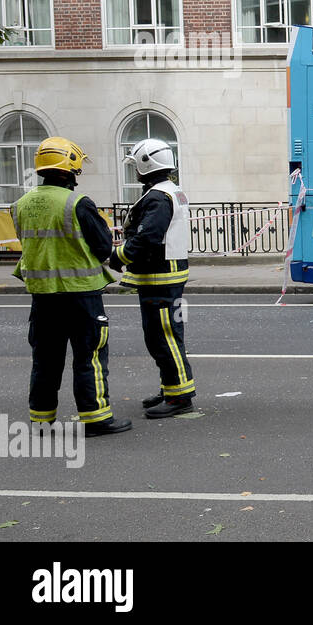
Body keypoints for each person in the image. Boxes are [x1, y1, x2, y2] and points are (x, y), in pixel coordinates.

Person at [11, 137, 130, 435]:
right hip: (81, 295)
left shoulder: (20, 205)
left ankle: (41, 420)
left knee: (45, 361)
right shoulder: (78, 203)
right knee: (89, 357)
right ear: (71, 167)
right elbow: (103, 246)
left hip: (42, 299)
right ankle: (96, 418)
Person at [109, 138, 196, 418]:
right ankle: (171, 388)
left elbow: (148, 238)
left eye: (135, 164)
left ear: (146, 164)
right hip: (168, 276)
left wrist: (117, 257)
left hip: (161, 279)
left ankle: (179, 398)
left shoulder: (158, 197)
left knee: (163, 337)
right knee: (167, 336)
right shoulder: (171, 191)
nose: (134, 170)